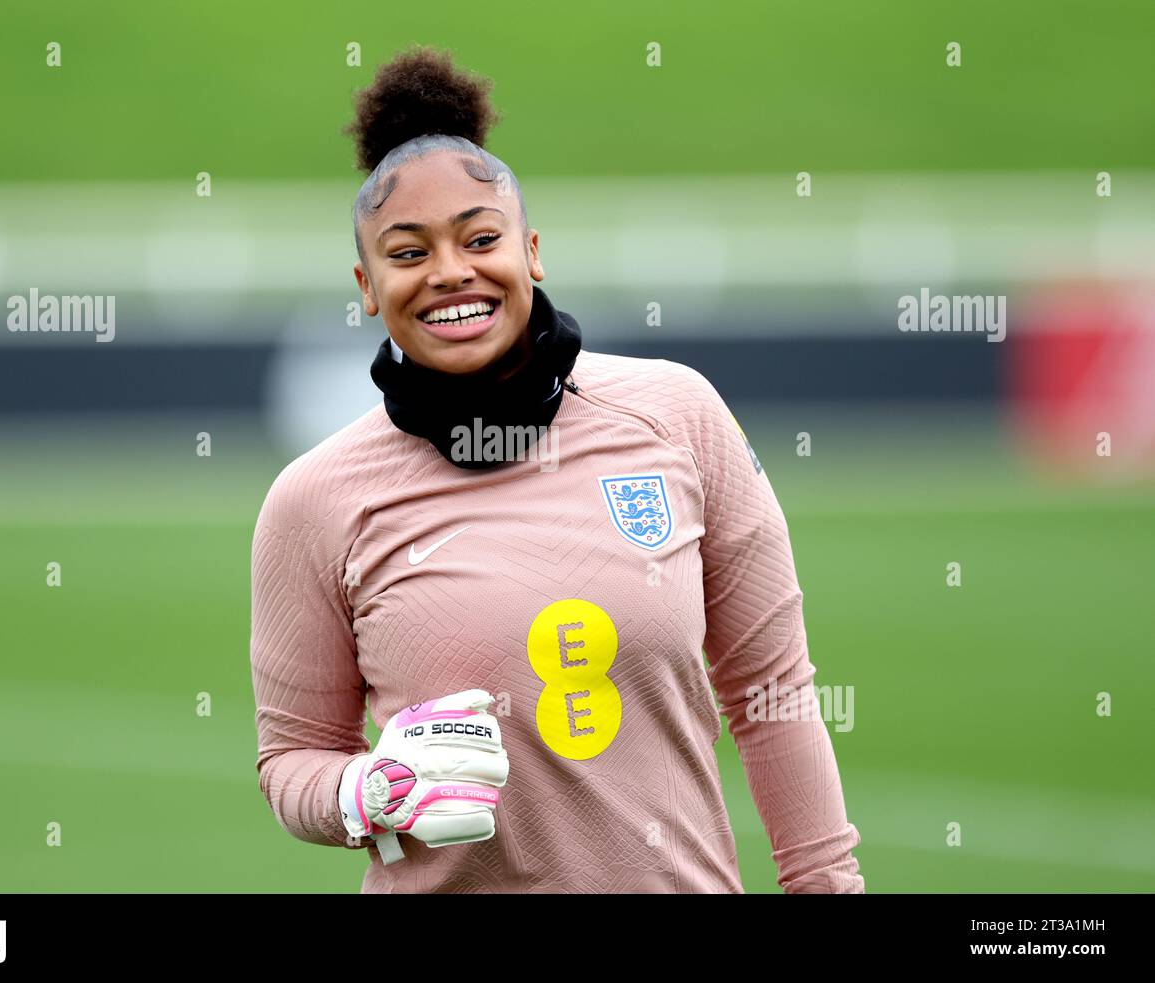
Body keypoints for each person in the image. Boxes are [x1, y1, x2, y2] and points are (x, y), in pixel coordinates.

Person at [250, 45, 865, 893]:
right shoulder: (313, 499)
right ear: (366, 284)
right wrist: (366, 789)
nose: (451, 273)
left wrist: (827, 887)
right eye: (407, 252)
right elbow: (292, 758)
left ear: (532, 250)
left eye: (481, 238)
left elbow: (773, 693)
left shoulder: (677, 415)